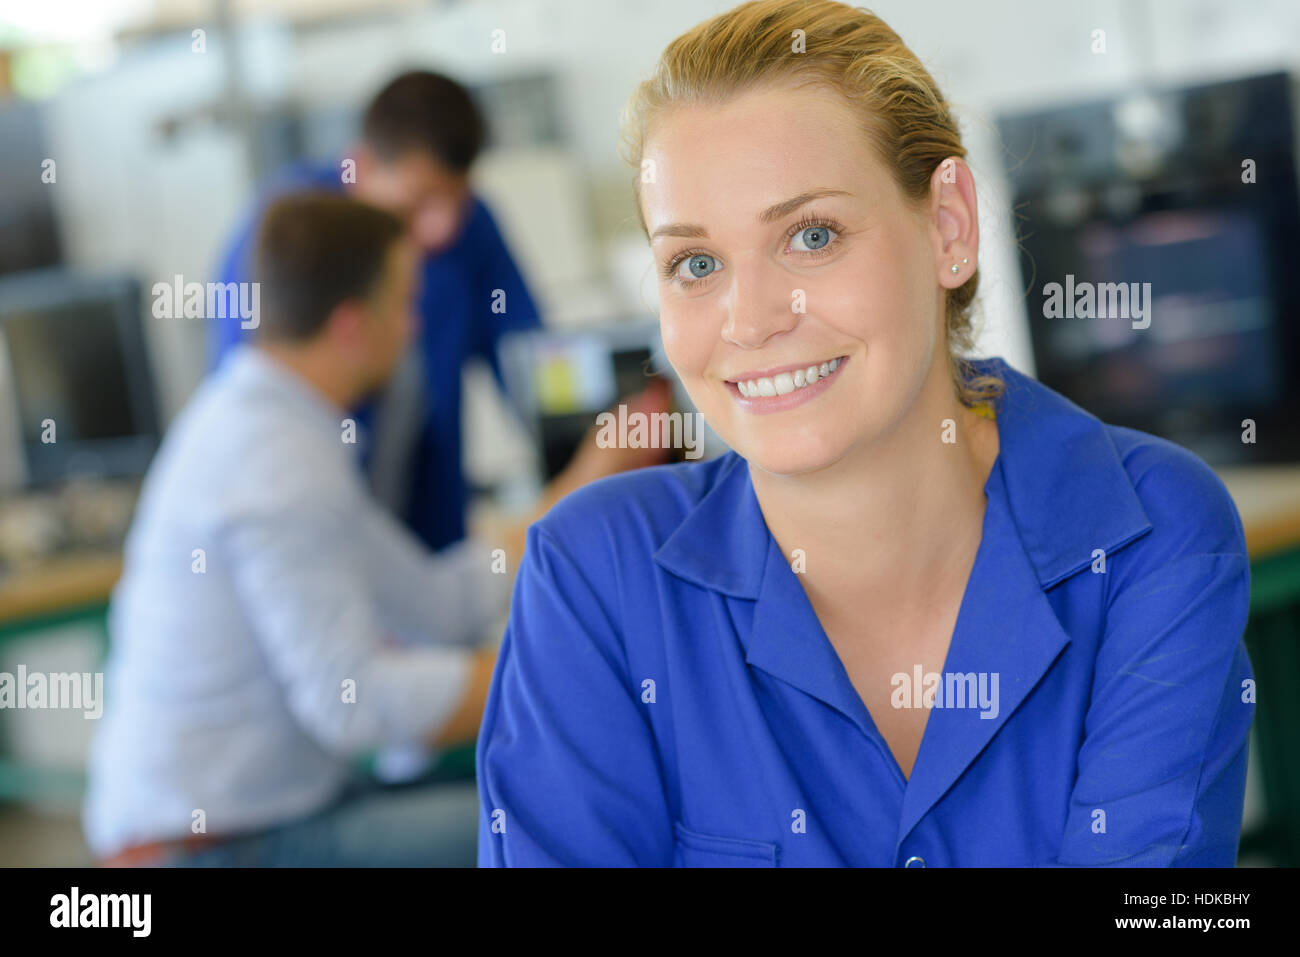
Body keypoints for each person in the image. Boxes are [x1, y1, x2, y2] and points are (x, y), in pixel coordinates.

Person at [476, 0, 1255, 867]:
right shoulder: (595, 578)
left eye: (812, 236)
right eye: (695, 264)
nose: (751, 320)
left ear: (948, 227)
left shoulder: (1152, 534)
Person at [83, 193, 613, 867]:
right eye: (403, 303)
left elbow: (434, 601)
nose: (415, 325)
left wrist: (580, 489)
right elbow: (351, 702)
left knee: (534, 782)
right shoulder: (274, 463)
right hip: (208, 848)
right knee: (563, 821)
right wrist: (561, 670)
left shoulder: (279, 426)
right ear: (352, 326)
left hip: (278, 807)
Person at [210, 71, 543, 552]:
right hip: (314, 523)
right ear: (360, 166)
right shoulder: (284, 231)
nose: (439, 230)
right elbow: (252, 401)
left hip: (425, 525)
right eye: (417, 204)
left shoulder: (471, 229)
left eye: (457, 200)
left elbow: (528, 363)